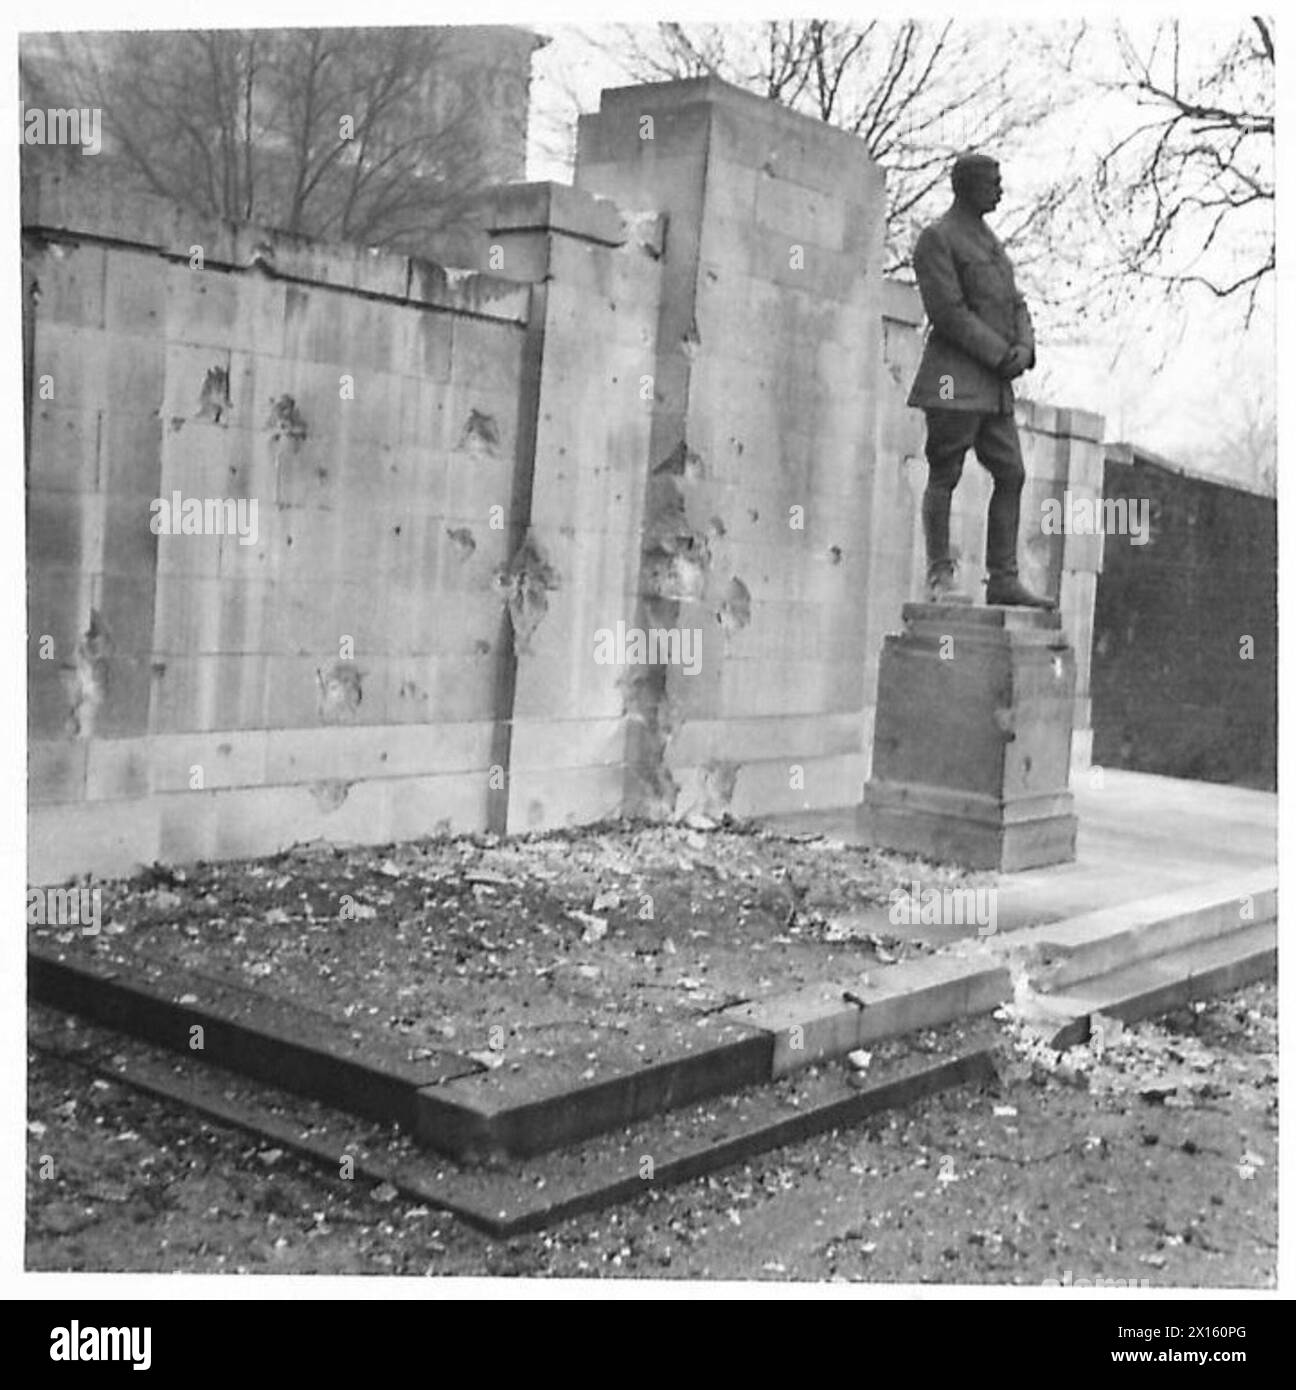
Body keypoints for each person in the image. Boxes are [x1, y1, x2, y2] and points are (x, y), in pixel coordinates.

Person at [906, 152, 1055, 608]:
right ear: (966, 186)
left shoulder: (992, 244)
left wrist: (1024, 350)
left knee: (1011, 472)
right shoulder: (939, 238)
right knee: (945, 472)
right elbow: (948, 313)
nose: (1000, 190)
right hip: (954, 381)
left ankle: (1004, 577)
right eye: (993, 182)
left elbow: (1016, 304)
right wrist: (998, 354)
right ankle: (940, 575)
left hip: (994, 388)